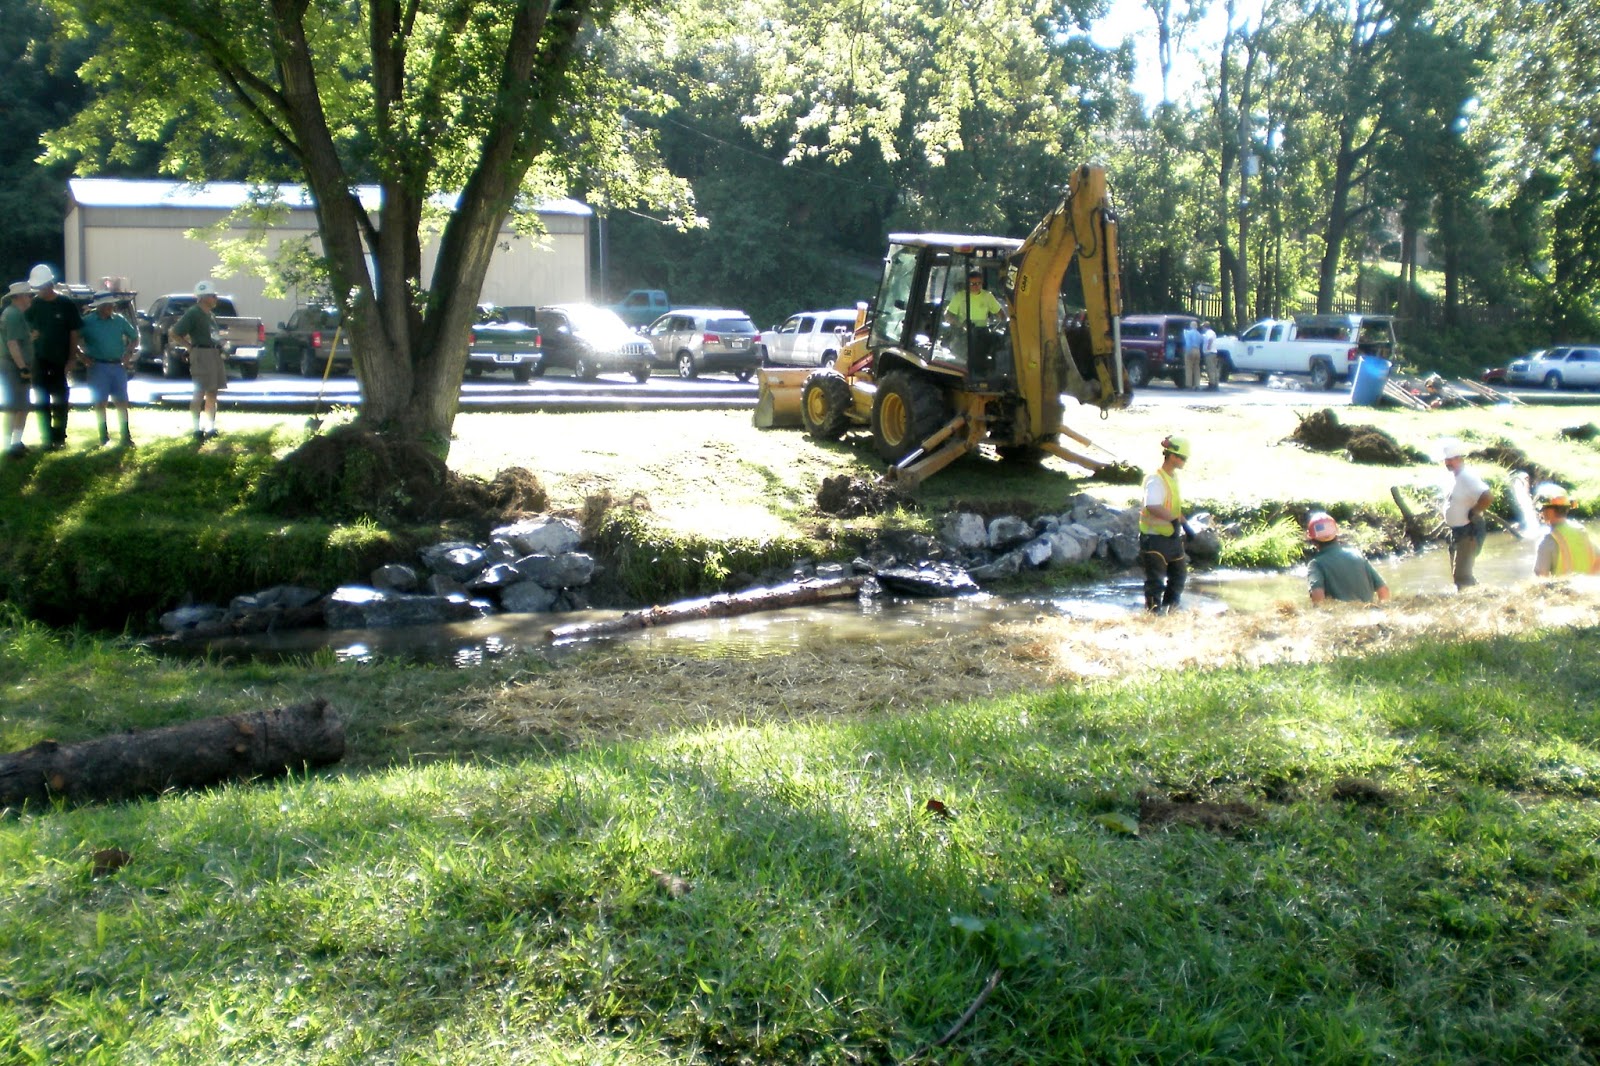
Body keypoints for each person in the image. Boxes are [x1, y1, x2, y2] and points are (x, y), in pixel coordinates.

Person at [22, 264, 83, 451]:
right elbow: (26, 326)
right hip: (39, 358)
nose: (40, 290)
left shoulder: (65, 304)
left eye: (42, 286)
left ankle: (59, 436)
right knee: (41, 400)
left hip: (60, 359)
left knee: (60, 399)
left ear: (50, 284)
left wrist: (72, 358)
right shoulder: (35, 305)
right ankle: (46, 438)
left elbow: (74, 332)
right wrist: (30, 335)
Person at [80, 293, 139, 447]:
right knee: (100, 402)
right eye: (106, 305)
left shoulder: (119, 320)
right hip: (97, 365)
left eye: (111, 305)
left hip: (117, 365)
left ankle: (125, 435)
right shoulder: (87, 322)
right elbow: (74, 339)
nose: (110, 308)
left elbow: (134, 337)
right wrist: (81, 356)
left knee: (122, 401)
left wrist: (128, 353)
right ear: (99, 306)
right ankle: (103, 435)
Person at [1139, 434, 1190, 612]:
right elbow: (1152, 505)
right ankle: (1152, 615)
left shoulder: (1173, 478)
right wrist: (1173, 520)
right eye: (1183, 458)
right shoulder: (1156, 479)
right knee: (1155, 581)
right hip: (1154, 539)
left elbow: (1173, 508)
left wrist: (1186, 526)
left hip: (1171, 537)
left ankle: (1172, 611)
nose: (1185, 461)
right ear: (1172, 456)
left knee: (1179, 575)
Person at [170, 280, 227, 441]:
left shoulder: (210, 315)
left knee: (213, 392)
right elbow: (175, 333)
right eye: (212, 295)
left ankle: (210, 427)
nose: (216, 298)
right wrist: (190, 347)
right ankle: (196, 427)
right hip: (201, 353)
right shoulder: (193, 313)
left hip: (214, 353)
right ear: (203, 297)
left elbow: (213, 335)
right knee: (199, 391)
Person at [1438, 438, 1492, 590]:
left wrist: (1474, 511)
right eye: (1446, 460)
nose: (1447, 463)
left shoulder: (1467, 477)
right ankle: (1476, 595)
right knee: (1460, 573)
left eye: (1450, 460)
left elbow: (1487, 496)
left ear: (1459, 458)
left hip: (1469, 531)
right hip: (1458, 531)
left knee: (1462, 575)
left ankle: (1476, 600)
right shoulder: (1455, 477)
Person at [1305, 511, 1390, 604]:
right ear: (1337, 532)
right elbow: (1383, 590)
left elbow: (1318, 599)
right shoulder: (1356, 554)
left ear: (1312, 539)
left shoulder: (1315, 564)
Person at [942, 269, 1006, 369]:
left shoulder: (987, 296)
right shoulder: (960, 297)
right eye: (972, 284)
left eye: (978, 283)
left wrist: (1000, 324)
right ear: (967, 284)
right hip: (964, 333)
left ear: (982, 283)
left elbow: (1001, 315)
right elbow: (948, 315)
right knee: (974, 350)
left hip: (983, 332)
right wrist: (960, 324)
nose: (976, 286)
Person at [1532, 485, 1599, 577]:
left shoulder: (1547, 541)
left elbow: (1540, 578)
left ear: (1549, 511)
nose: (1541, 512)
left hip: (1563, 591)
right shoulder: (1582, 531)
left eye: (1542, 508)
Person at [2, 281, 34, 458]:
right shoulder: (13, 315)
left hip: (15, 364)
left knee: (22, 406)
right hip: (14, 366)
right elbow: (12, 343)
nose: (30, 298)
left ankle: (16, 442)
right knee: (15, 406)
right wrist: (22, 367)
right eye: (28, 295)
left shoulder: (15, 314)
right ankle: (9, 446)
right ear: (20, 297)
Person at [1180, 320, 1202, 389]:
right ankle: (1197, 385)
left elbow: (1188, 343)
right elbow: (1201, 342)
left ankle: (1188, 385)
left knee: (1189, 368)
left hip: (1191, 350)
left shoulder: (1189, 333)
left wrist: (1187, 351)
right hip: (1197, 350)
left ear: (1191, 326)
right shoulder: (1199, 334)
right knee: (1197, 368)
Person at [1201, 320, 1220, 390]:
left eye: (1203, 327)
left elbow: (1210, 339)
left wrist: (1208, 346)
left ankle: (1212, 385)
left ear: (1205, 327)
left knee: (1210, 369)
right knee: (1214, 369)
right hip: (1213, 352)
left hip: (1210, 353)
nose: (1202, 328)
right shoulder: (1211, 332)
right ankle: (1215, 383)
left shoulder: (1209, 333)